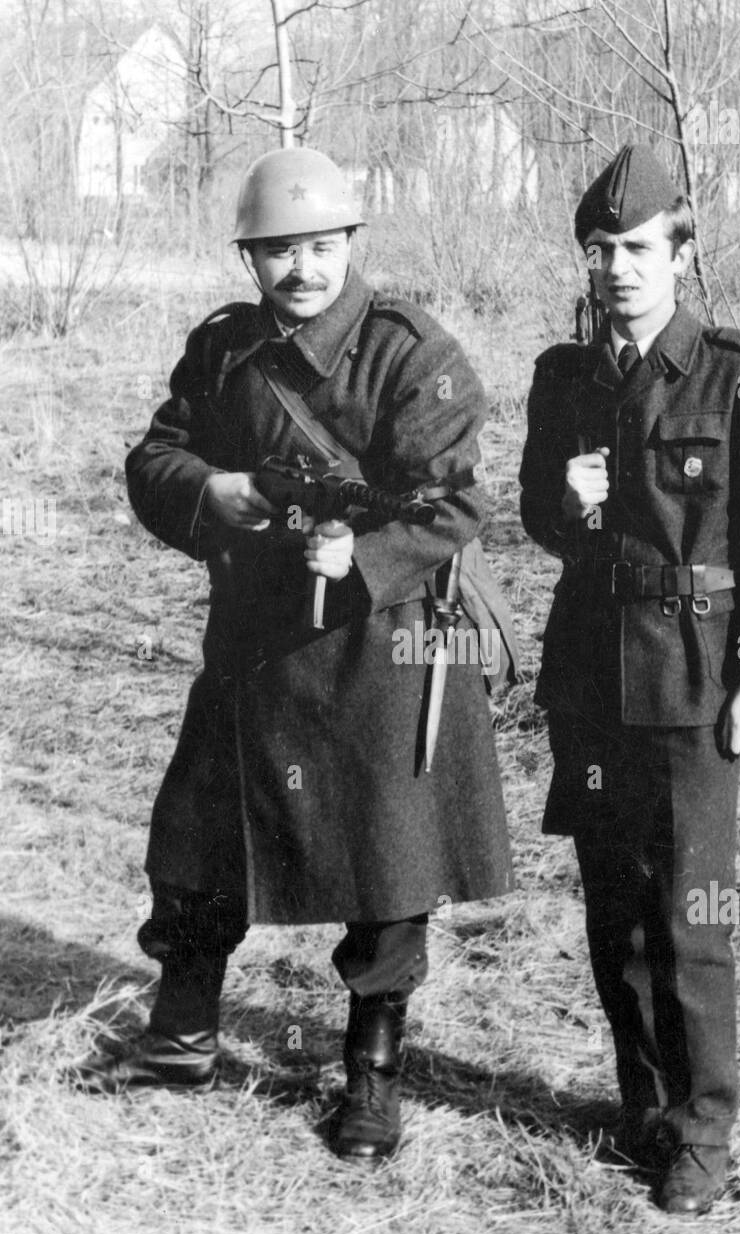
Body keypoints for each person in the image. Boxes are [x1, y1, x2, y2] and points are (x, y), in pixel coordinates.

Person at [72, 146, 515, 1161]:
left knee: (388, 866)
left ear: (351, 244)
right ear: (250, 258)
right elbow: (157, 455)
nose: (302, 269)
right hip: (253, 644)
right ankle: (180, 1035)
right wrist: (211, 493)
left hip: (381, 645)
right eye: (279, 251)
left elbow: (455, 502)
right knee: (194, 842)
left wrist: (359, 551)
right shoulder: (225, 350)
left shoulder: (414, 351)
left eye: (320, 247)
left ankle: (371, 1075)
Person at [519, 144, 740, 1214]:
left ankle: (705, 1128)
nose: (618, 269)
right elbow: (543, 523)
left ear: (681, 251)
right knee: (615, 906)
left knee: (692, 912)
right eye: (601, 250)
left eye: (639, 248)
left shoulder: (738, 372)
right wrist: (573, 499)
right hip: (591, 682)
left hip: (697, 680)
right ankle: (640, 1101)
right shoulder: (566, 378)